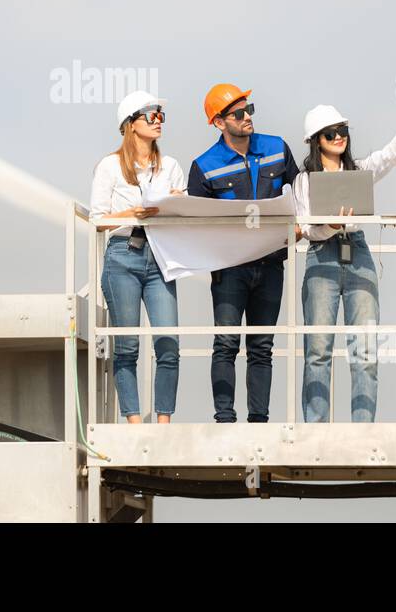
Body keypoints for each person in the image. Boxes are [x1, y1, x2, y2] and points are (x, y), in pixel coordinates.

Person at [293, 105, 396, 423]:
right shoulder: (304, 181)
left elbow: (386, 158)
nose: (339, 138)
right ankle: (315, 429)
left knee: (366, 348)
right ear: (316, 140)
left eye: (343, 130)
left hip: (357, 252)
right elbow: (305, 228)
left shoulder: (358, 171)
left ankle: (363, 431)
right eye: (331, 133)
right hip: (321, 255)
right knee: (318, 349)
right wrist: (330, 225)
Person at [188, 84, 298, 423]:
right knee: (226, 342)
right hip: (229, 269)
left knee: (262, 347)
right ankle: (224, 421)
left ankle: (258, 422)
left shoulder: (277, 148)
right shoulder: (204, 165)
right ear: (219, 123)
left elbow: (301, 193)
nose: (247, 117)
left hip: (270, 265)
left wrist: (298, 224)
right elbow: (197, 224)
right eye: (238, 113)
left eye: (249, 109)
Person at [89, 90, 186, 424]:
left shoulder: (171, 167)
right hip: (123, 255)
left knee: (168, 344)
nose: (159, 120)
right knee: (127, 345)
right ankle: (133, 424)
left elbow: (182, 220)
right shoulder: (109, 166)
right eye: (151, 115)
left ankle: (162, 426)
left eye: (161, 114)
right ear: (130, 124)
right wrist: (134, 212)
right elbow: (98, 220)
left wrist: (176, 205)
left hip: (161, 256)